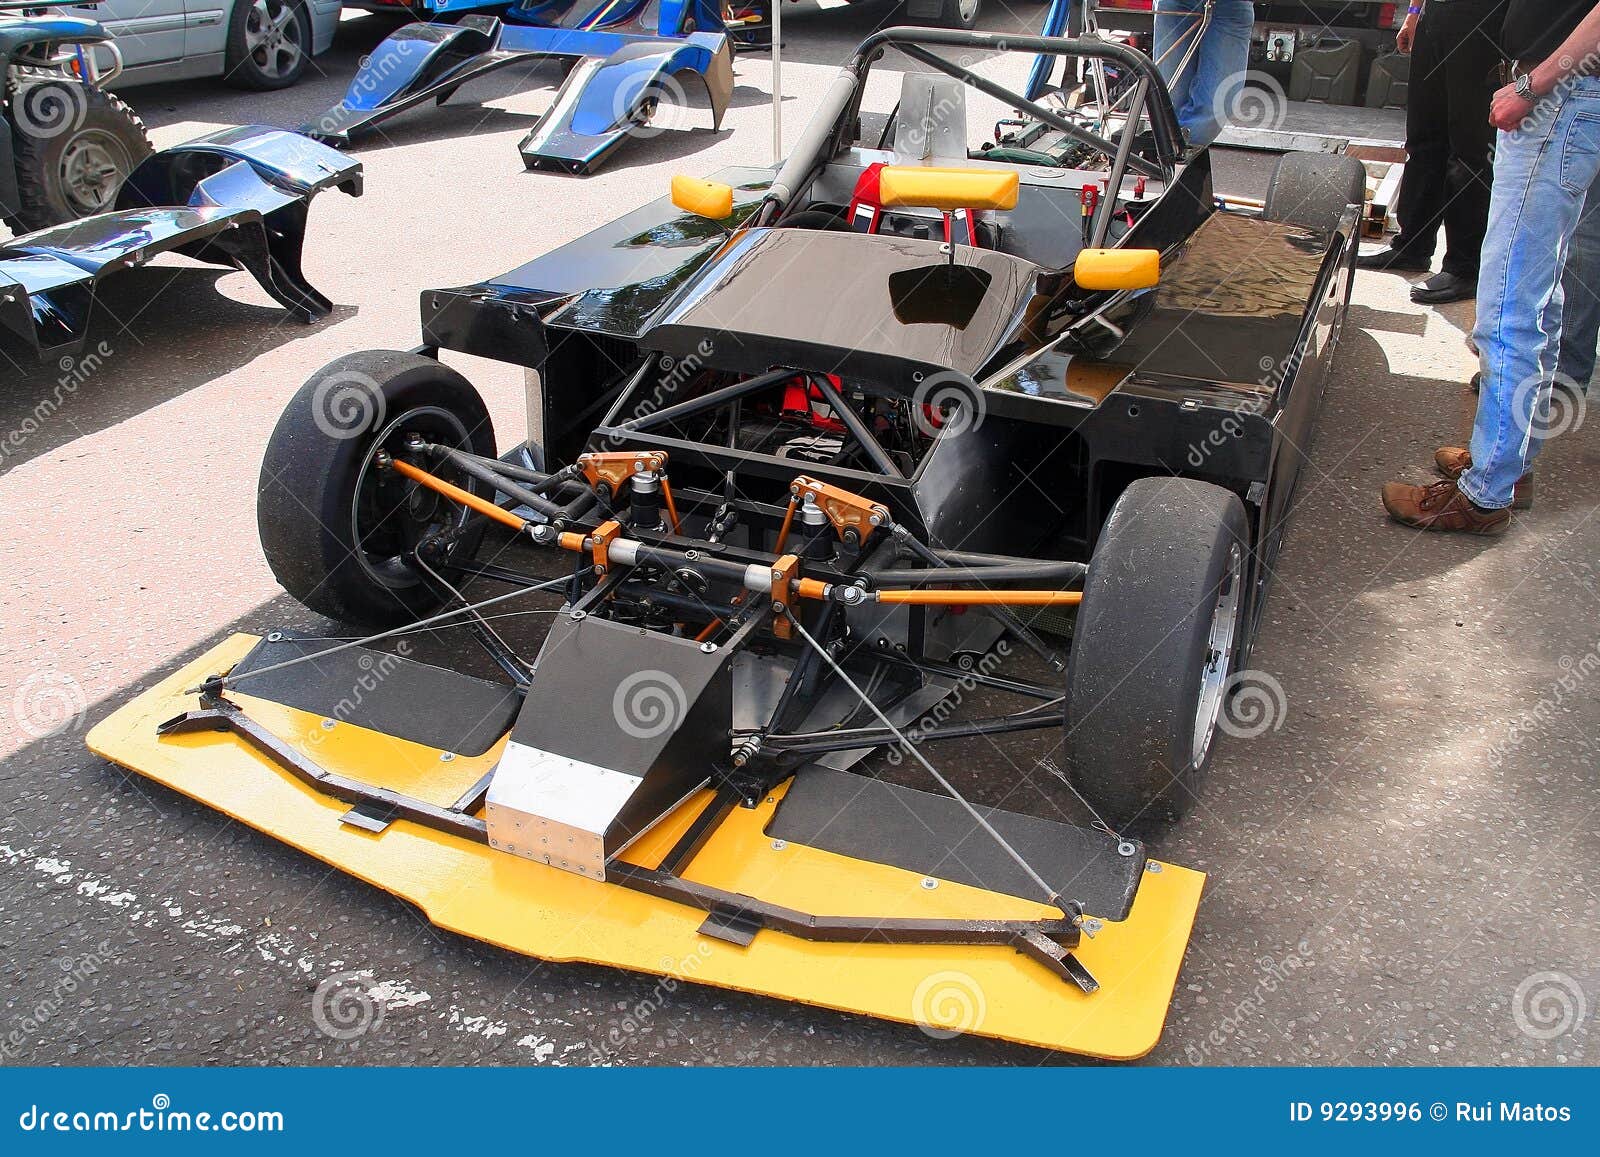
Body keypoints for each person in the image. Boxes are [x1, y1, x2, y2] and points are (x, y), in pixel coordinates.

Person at [1383, 0, 1600, 534]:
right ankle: (1510, 463)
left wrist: (1534, 85)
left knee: (1508, 306)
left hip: (1559, 99)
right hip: (1562, 98)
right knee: (1538, 302)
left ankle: (1485, 495)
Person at [1358, 0, 1505, 305]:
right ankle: (1412, 245)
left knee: (1470, 148)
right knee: (1424, 136)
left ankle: (1464, 267)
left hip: (1482, 15)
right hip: (1435, 14)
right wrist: (1414, 12)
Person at [1152, 0, 1255, 148]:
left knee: (1217, 105)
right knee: (1168, 101)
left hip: (1232, 7)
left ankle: (1169, 153)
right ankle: (1167, 155)